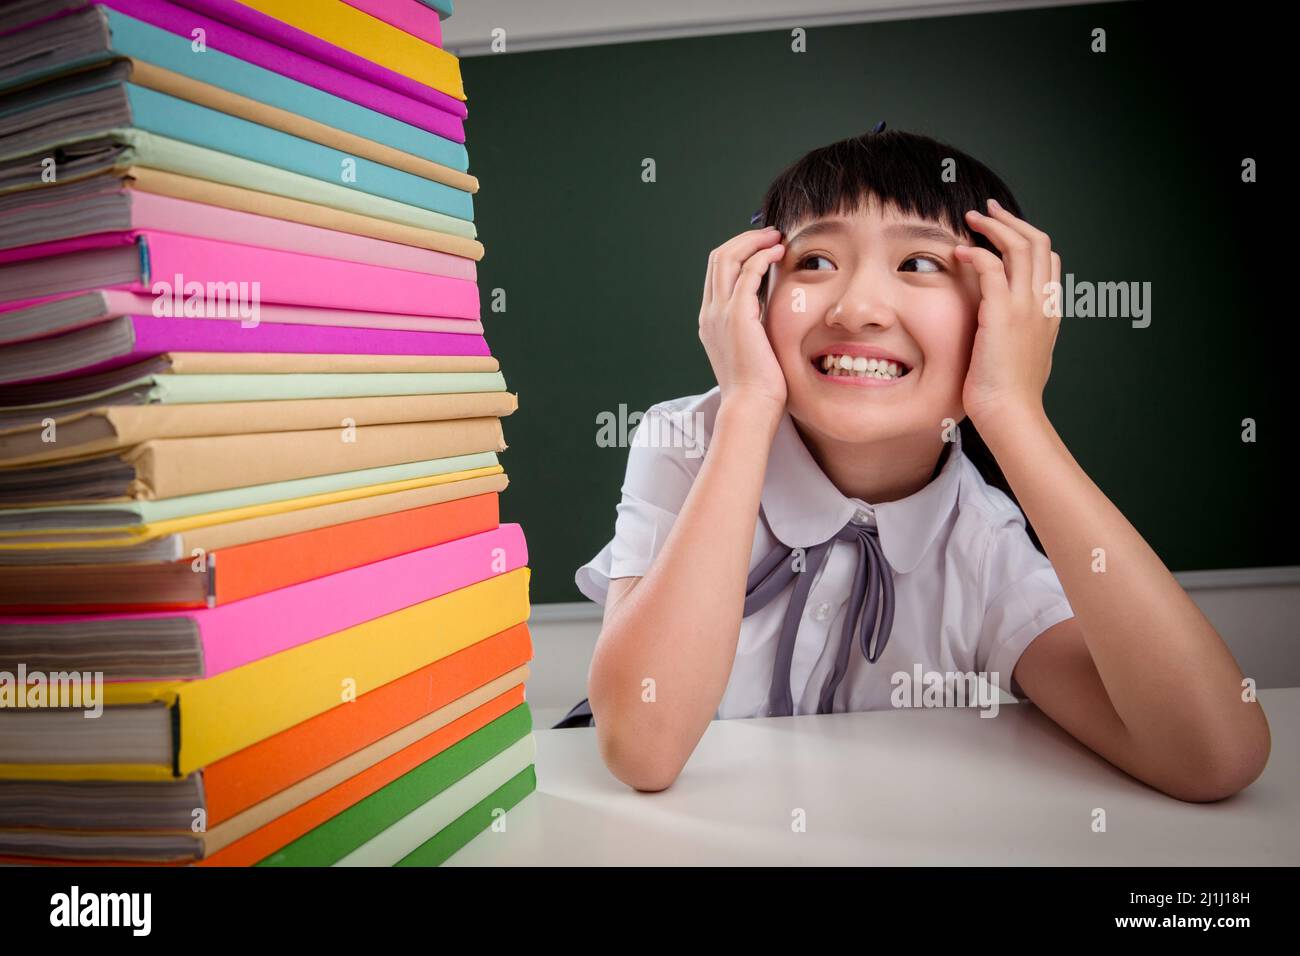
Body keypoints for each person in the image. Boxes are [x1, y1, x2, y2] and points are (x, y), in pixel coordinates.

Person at [566, 127, 1270, 803]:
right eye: (813, 262)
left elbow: (1214, 756)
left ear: (1001, 317)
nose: (858, 307)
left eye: (920, 264)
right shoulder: (688, 440)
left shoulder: (984, 545)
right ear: (753, 300)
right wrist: (748, 403)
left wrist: (1013, 410)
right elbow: (643, 750)